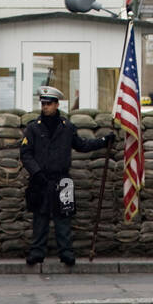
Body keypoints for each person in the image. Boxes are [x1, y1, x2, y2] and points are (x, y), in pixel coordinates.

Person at [20, 86, 115, 268]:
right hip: (41, 179)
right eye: (43, 103)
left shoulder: (67, 127)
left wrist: (103, 141)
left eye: (48, 104)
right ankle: (36, 252)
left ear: (57, 105)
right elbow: (25, 153)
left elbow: (81, 145)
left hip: (61, 179)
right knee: (40, 218)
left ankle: (66, 253)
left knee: (63, 218)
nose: (45, 107)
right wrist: (36, 172)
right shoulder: (33, 128)